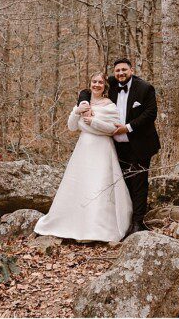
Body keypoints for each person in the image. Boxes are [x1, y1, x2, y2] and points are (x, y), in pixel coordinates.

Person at [33, 72, 132, 242]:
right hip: (83, 148)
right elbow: (72, 127)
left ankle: (98, 228)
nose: (97, 85)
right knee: (80, 184)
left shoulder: (110, 106)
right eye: (94, 81)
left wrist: (93, 122)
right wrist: (77, 112)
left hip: (102, 149)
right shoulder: (83, 103)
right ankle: (73, 223)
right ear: (90, 83)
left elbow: (111, 129)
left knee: (99, 184)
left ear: (104, 86)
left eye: (100, 82)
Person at [104, 57, 161, 236]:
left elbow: (151, 113)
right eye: (117, 70)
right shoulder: (110, 84)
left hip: (140, 145)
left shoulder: (145, 88)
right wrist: (83, 102)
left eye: (124, 70)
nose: (120, 73)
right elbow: (89, 89)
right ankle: (124, 220)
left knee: (139, 183)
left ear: (132, 70)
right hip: (117, 147)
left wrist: (127, 128)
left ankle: (138, 223)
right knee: (123, 183)